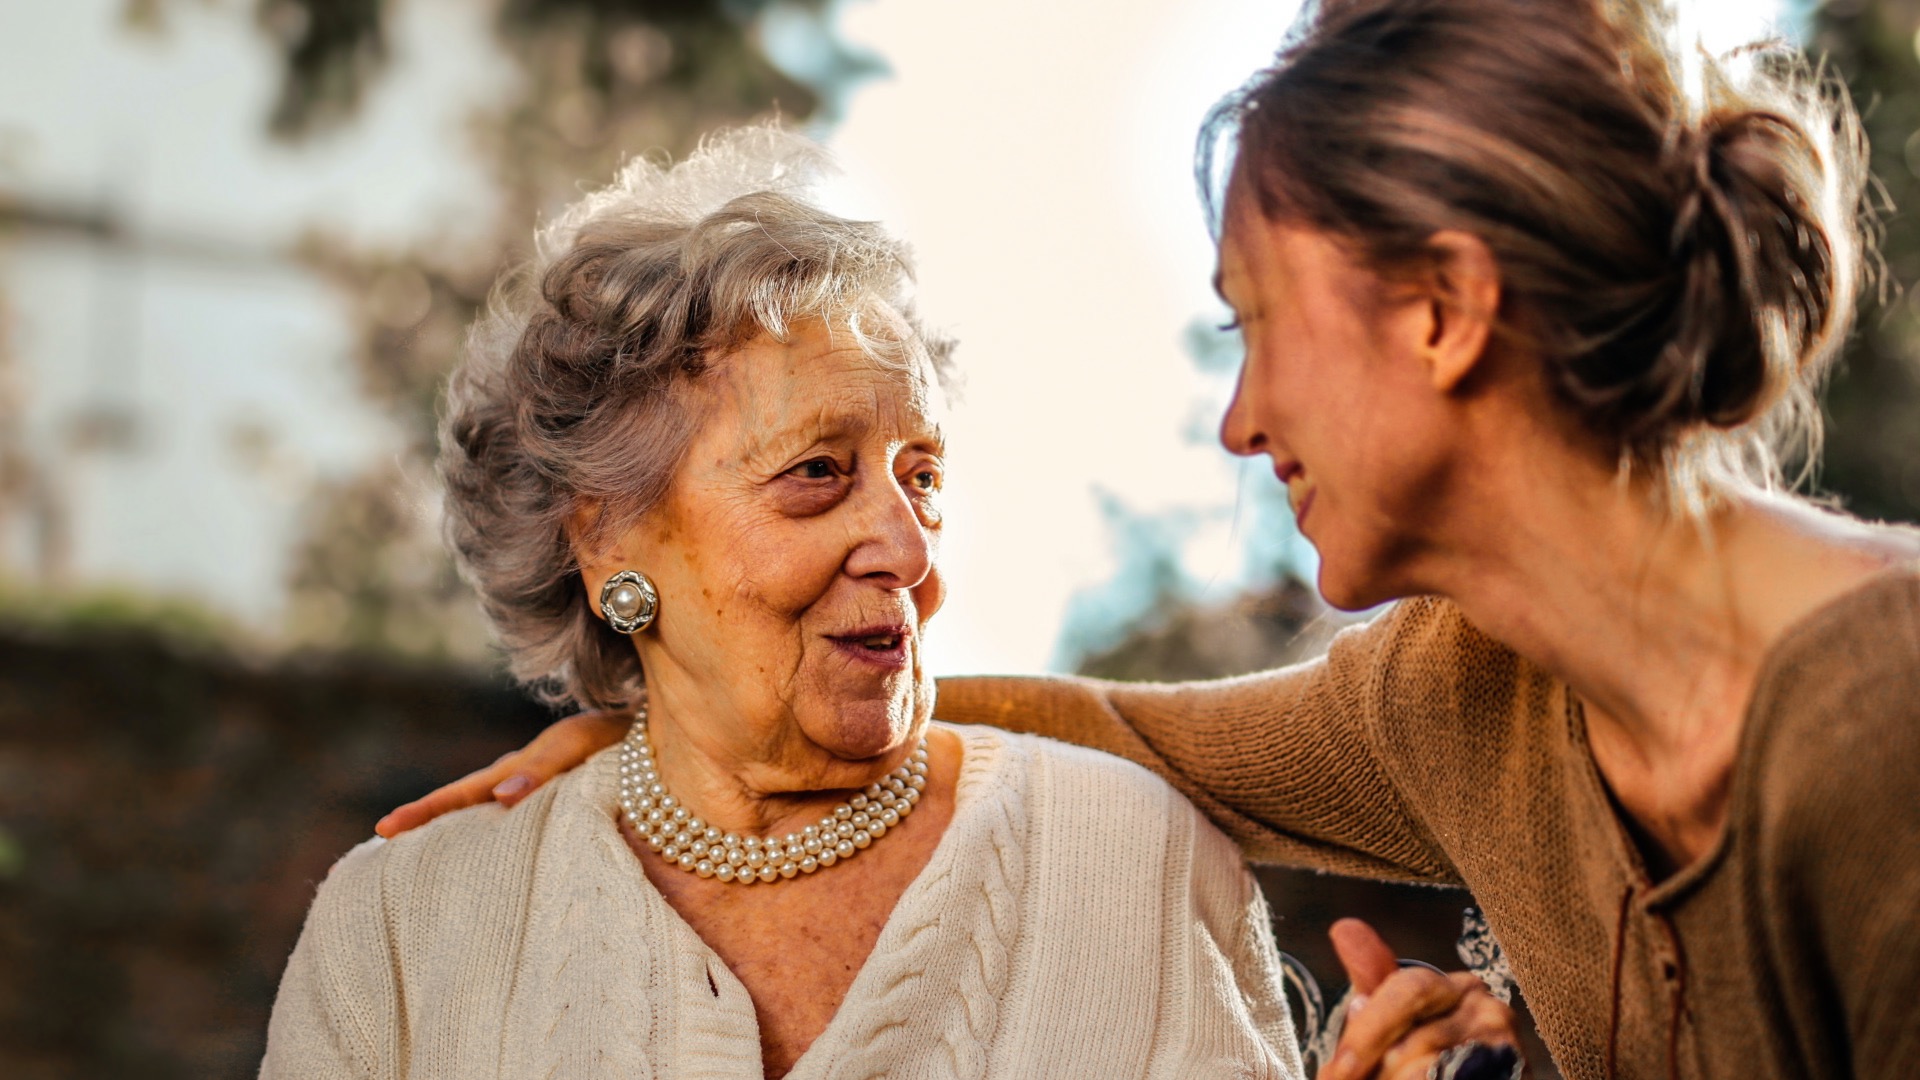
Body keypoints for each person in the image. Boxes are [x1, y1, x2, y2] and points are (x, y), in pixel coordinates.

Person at [379, 1, 1920, 1078]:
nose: (1242, 422)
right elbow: (1129, 735)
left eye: (1258, 325)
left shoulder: (1879, 724)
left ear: (1445, 312)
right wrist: (694, 713)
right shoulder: (1464, 695)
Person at [260, 125, 1370, 1080]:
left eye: (922, 477)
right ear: (605, 539)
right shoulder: (398, 933)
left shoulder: (1135, 862)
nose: (907, 549)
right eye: (817, 473)